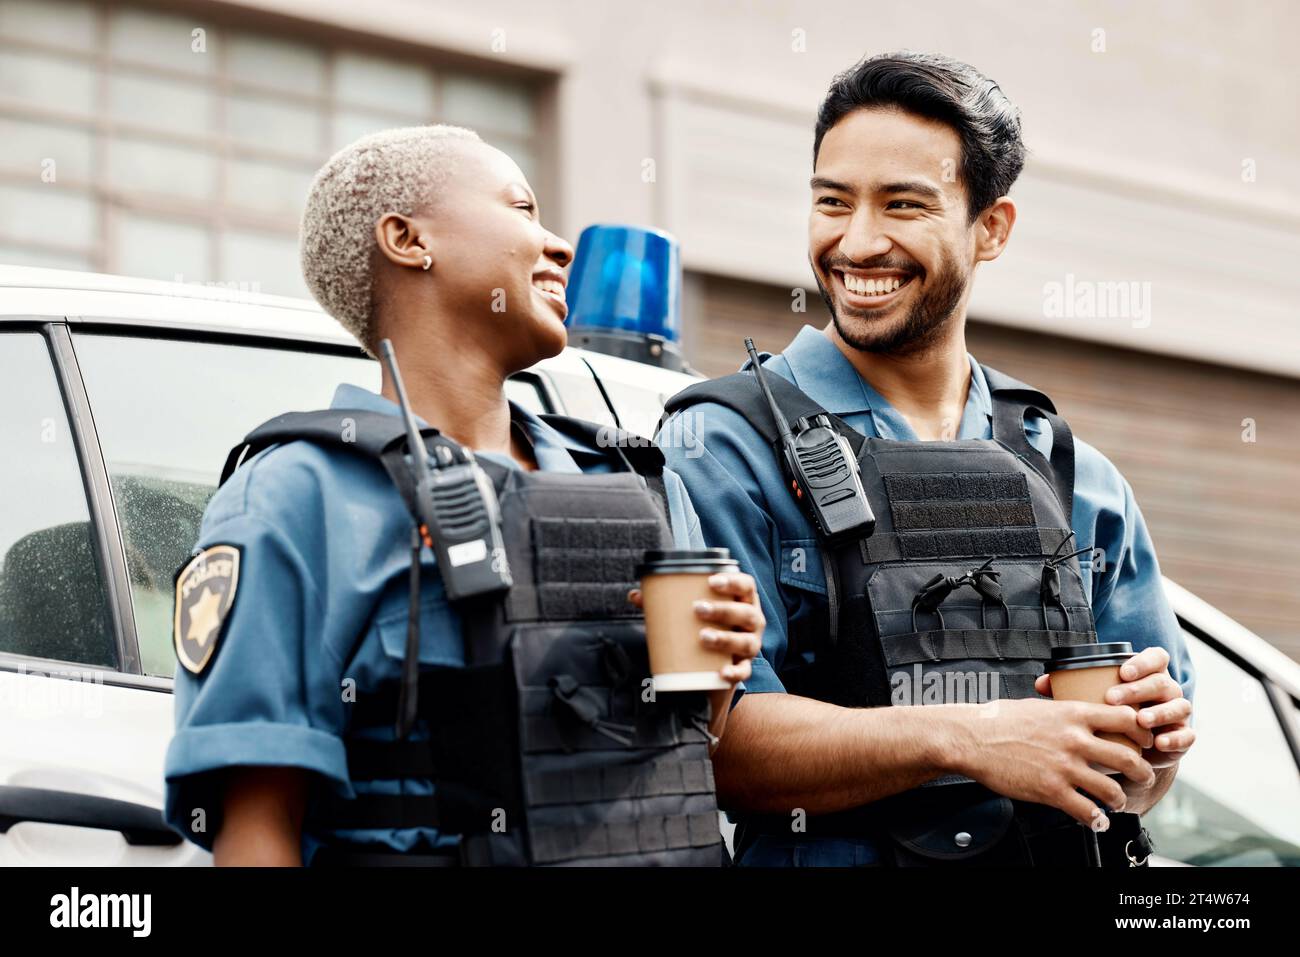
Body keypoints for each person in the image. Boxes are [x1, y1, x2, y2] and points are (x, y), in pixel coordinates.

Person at [163, 125, 764, 866]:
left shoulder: (637, 484)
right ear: (408, 239)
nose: (559, 245)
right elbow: (258, 833)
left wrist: (718, 673)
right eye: (521, 208)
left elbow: (681, 767)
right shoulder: (294, 500)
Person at [658, 52, 1195, 867]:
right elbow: (707, 745)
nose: (858, 242)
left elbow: (1141, 775)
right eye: (832, 202)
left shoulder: (1069, 471)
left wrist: (1150, 747)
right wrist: (970, 736)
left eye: (903, 206)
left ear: (992, 228)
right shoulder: (721, 447)